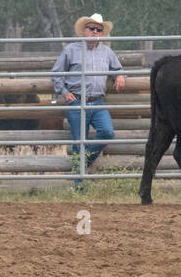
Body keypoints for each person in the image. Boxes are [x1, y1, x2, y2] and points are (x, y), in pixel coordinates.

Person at [51, 13, 126, 181]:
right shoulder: (70, 50)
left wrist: (119, 76)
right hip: (76, 100)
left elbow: (117, 69)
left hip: (97, 101)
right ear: (84, 30)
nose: (95, 32)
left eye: (99, 29)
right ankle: (79, 186)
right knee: (79, 143)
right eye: (91, 28)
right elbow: (56, 74)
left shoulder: (107, 52)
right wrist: (64, 92)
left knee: (107, 132)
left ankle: (81, 166)